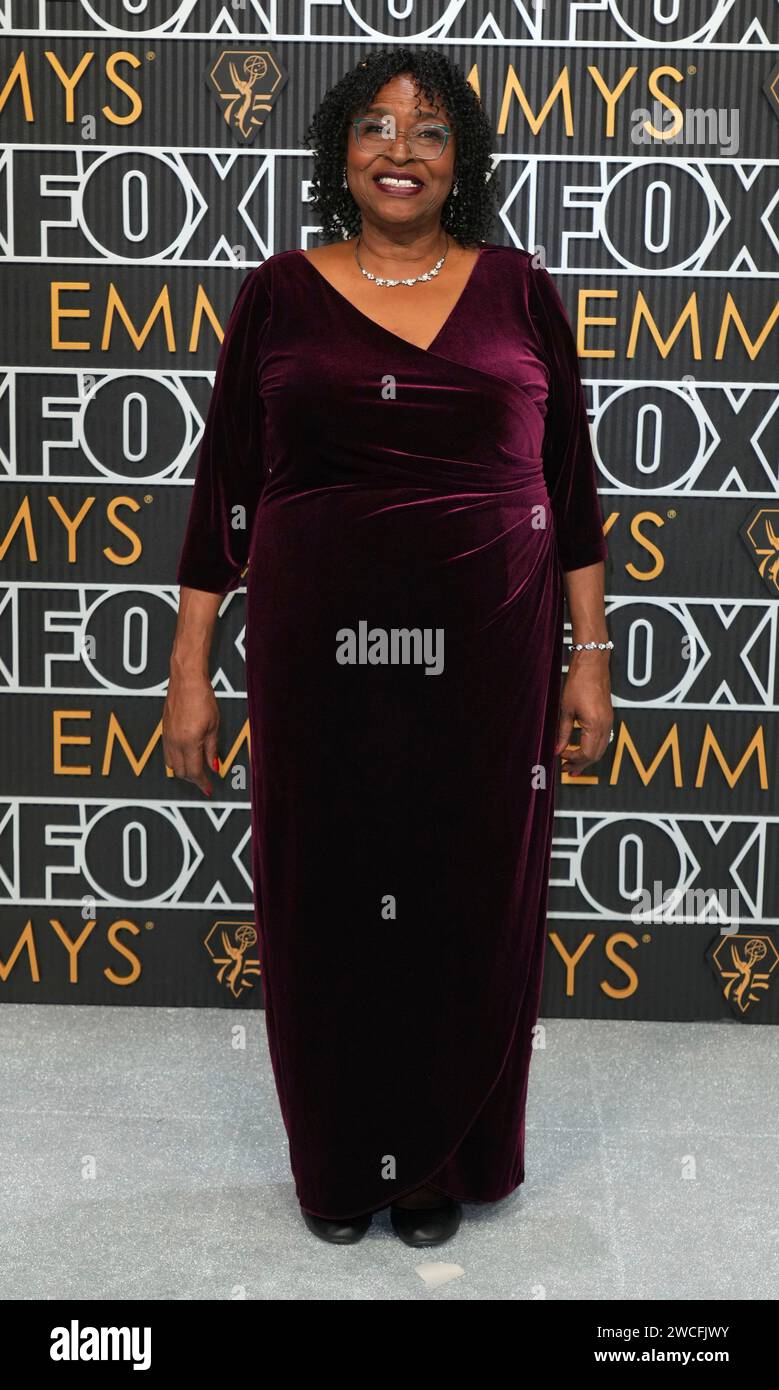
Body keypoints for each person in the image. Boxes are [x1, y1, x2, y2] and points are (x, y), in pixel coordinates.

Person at [163, 47, 613, 1249]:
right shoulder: (277, 290)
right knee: (324, 903)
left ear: (459, 159)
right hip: (319, 666)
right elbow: (225, 492)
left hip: (488, 664)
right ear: (338, 154)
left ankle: (436, 1162)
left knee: (467, 899)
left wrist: (589, 654)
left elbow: (568, 486)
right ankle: (340, 1160)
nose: (398, 150)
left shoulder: (518, 290)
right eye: (372, 126)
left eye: (426, 131)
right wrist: (189, 668)